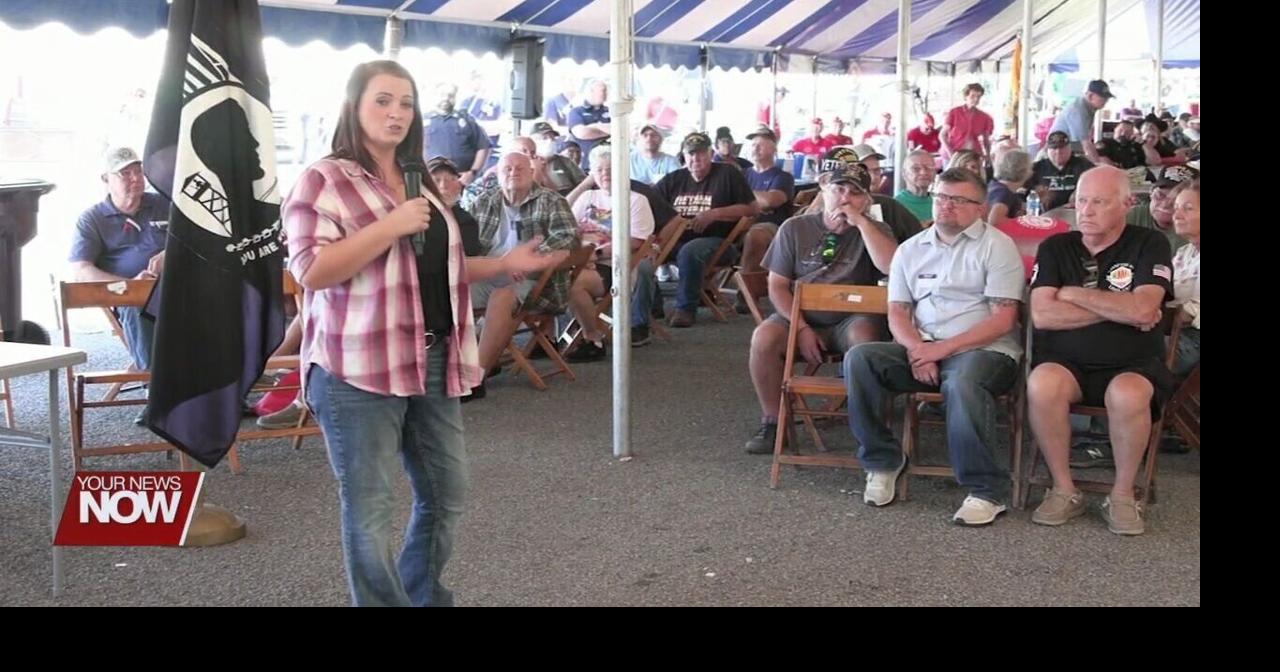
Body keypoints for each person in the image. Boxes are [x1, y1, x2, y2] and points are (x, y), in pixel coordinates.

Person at [282, 60, 565, 606]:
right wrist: (389, 225)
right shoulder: (324, 178)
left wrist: (505, 263)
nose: (396, 113)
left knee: (447, 494)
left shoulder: (417, 180)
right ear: (354, 107)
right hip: (356, 370)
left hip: (432, 359)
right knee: (370, 509)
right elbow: (310, 271)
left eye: (406, 103)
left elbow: (437, 266)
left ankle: (423, 594)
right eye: (383, 100)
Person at [68, 146, 171, 370]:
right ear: (106, 179)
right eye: (125, 173)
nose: (135, 178)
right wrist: (127, 285)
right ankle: (156, 382)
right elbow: (81, 269)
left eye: (138, 171)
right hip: (127, 294)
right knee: (136, 298)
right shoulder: (92, 219)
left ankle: (227, 378)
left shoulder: (164, 205)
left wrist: (169, 253)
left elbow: (194, 240)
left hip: (178, 285)